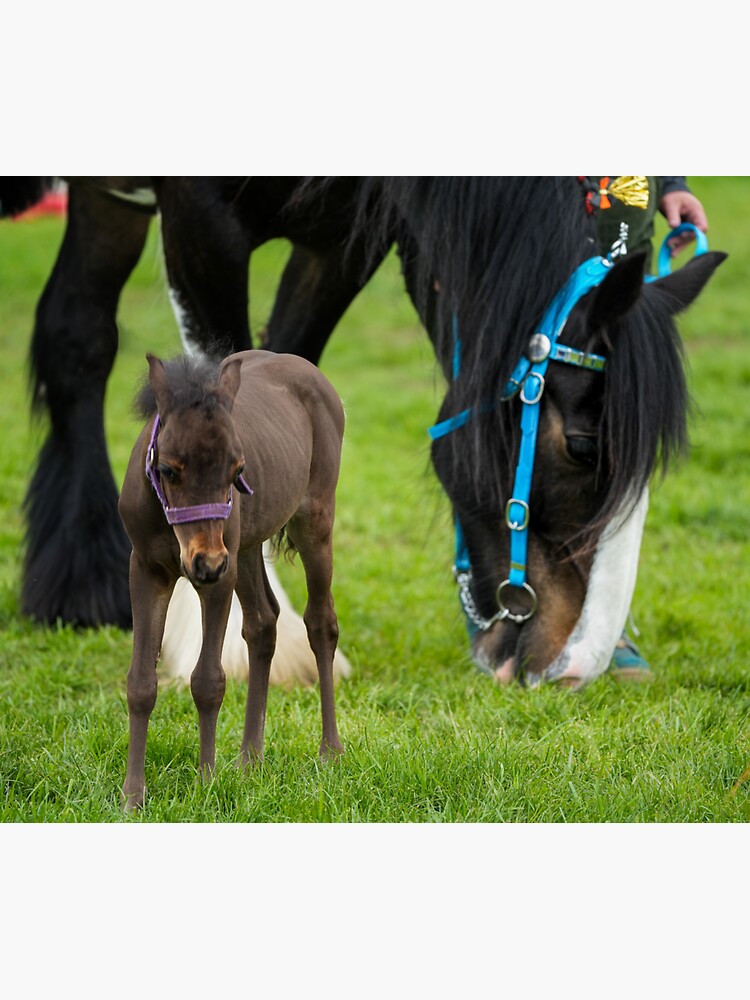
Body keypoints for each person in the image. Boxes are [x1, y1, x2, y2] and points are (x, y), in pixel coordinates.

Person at [589, 176, 709, 680]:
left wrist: (671, 181)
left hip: (623, 245)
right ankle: (504, 604)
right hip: (529, 260)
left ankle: (606, 623)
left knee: (619, 437)